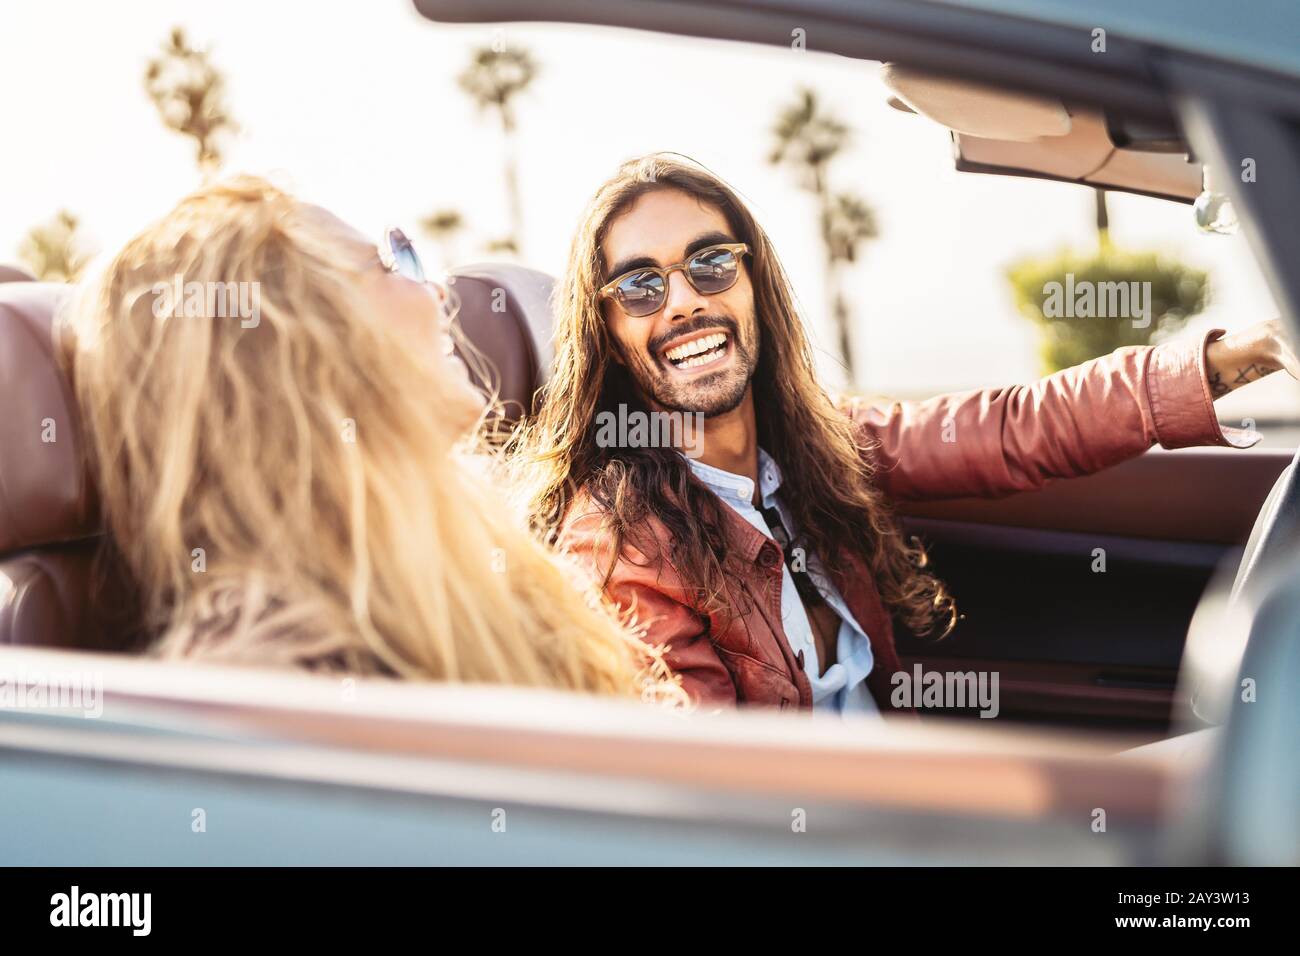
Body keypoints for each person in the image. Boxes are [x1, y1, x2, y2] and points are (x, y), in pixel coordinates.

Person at [515, 153, 1297, 714]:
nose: (683, 301)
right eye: (641, 285)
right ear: (608, 331)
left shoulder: (823, 447)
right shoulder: (622, 546)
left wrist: (1247, 353)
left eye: (712, 263)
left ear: (754, 286)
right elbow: (712, 786)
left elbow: (1014, 428)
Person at [68, 175, 679, 701]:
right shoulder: (258, 682)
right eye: (392, 262)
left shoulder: (484, 566)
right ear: (295, 351)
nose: (438, 291)